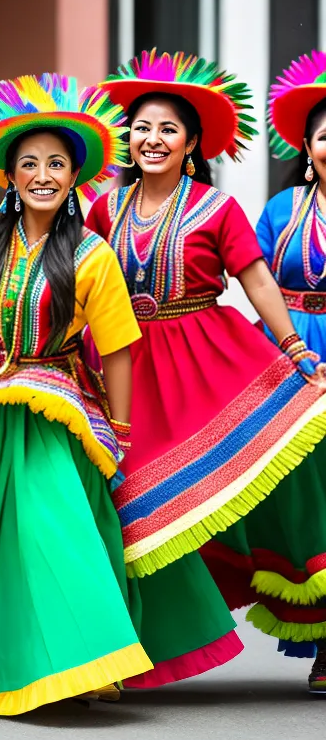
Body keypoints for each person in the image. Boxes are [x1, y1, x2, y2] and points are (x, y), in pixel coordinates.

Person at [89, 49, 326, 693]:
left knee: (297, 474)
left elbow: (256, 281)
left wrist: (295, 351)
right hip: (126, 371)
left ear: (192, 142)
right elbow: (75, 283)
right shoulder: (104, 211)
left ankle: (323, 624)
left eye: (169, 128)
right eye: (142, 127)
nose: (153, 138)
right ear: (126, 138)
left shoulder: (215, 209)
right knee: (126, 503)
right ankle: (120, 646)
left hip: (206, 364)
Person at [0, 73, 152, 715]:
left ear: (74, 178)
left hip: (54, 410)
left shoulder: (91, 253)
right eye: (28, 163)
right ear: (9, 176)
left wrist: (122, 428)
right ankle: (18, 663)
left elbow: (117, 348)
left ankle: (89, 658)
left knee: (53, 533)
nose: (41, 174)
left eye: (55, 163)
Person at [238, 49, 326, 690]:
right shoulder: (281, 207)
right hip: (292, 353)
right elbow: (258, 280)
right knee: (302, 496)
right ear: (305, 144)